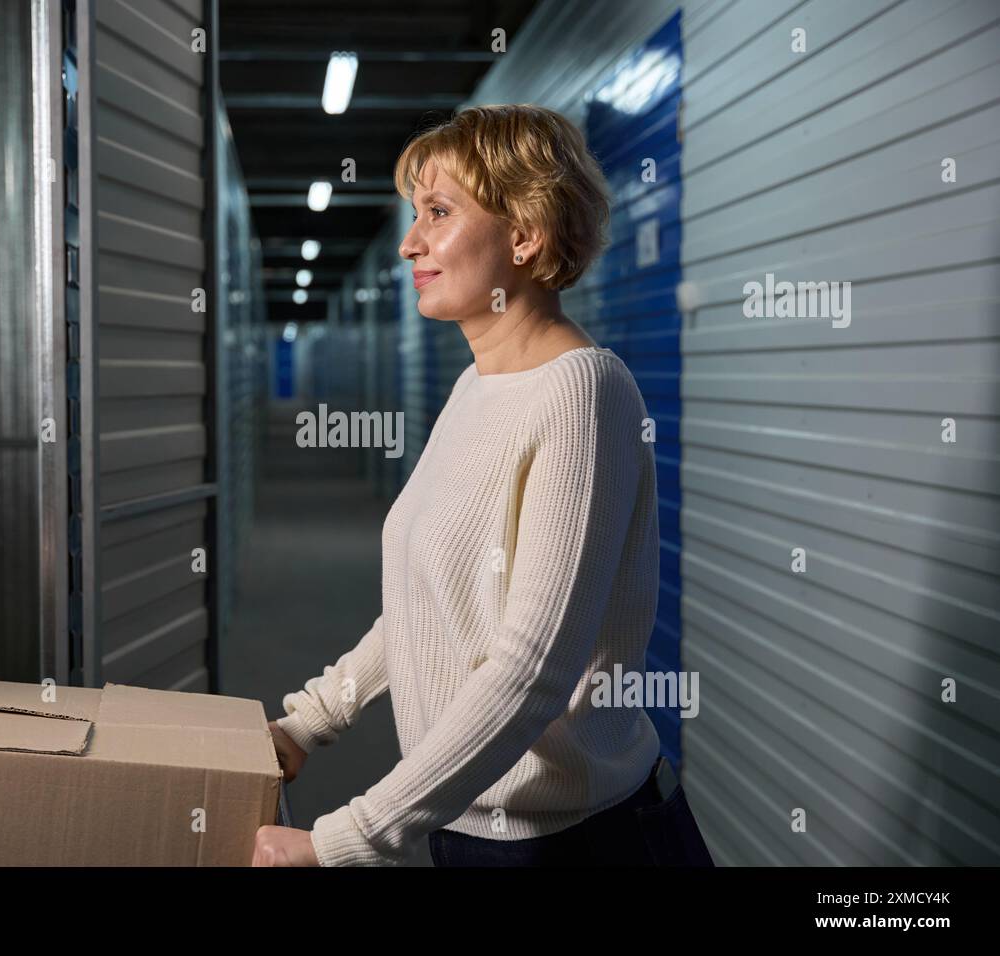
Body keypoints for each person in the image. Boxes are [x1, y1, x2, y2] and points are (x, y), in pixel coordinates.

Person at [252, 104, 713, 867]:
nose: (410, 243)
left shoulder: (582, 393)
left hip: (576, 844)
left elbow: (532, 671)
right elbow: (430, 605)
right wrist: (310, 721)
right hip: (468, 825)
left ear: (525, 233)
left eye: (439, 212)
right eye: (413, 214)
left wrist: (348, 838)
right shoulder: (476, 386)